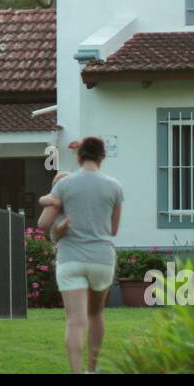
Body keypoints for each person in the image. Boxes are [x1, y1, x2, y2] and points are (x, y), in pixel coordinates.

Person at [38, 137, 123, 373]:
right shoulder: (114, 186)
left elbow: (44, 223)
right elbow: (113, 230)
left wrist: (59, 229)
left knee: (75, 321)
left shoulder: (64, 185)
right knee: (96, 313)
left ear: (78, 157)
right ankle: (92, 370)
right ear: (102, 157)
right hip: (101, 259)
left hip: (71, 259)